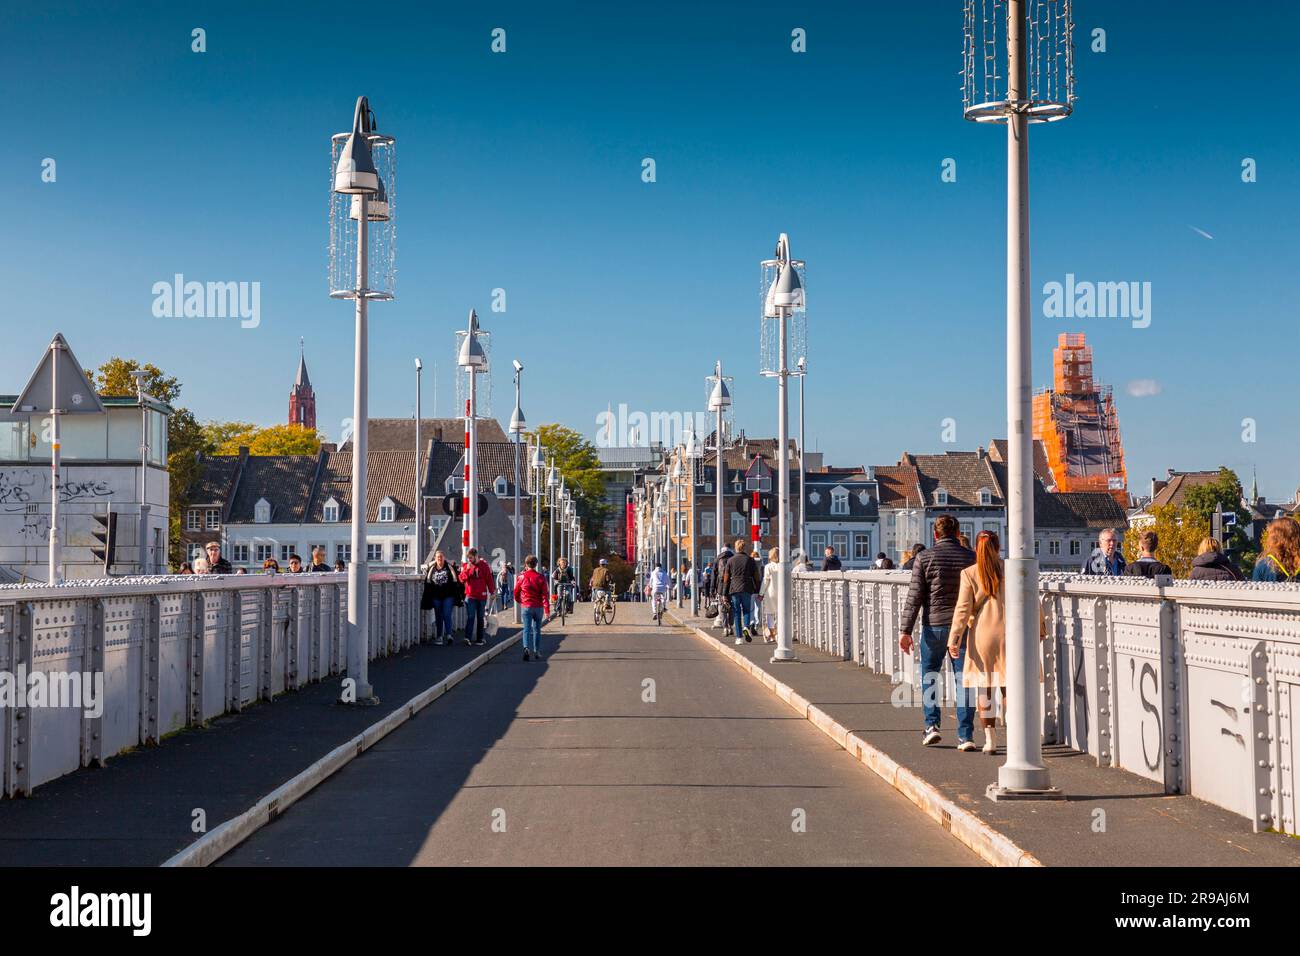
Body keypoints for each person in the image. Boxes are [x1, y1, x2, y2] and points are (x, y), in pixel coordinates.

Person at [899, 515, 976, 749]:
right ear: (957, 532)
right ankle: (966, 736)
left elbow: (915, 597)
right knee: (964, 680)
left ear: (935, 534)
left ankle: (932, 725)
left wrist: (905, 630)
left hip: (933, 626)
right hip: (963, 628)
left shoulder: (924, 558)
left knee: (930, 675)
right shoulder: (971, 558)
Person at [949, 531, 1011, 754]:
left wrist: (954, 639)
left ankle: (990, 740)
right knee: (1009, 688)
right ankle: (1014, 736)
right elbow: (1030, 598)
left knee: (985, 691)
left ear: (976, 548)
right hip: (1009, 634)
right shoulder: (1011, 569)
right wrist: (1040, 627)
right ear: (999, 546)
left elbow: (963, 609)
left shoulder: (969, 573)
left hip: (982, 636)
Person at [721, 537, 760, 645]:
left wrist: (724, 593)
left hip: (734, 588)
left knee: (737, 612)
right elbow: (756, 576)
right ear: (744, 548)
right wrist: (758, 589)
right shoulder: (750, 560)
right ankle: (746, 627)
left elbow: (726, 578)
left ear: (736, 548)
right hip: (747, 588)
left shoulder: (730, 560)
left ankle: (739, 638)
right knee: (747, 610)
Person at [514, 555, 550, 661]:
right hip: (538, 607)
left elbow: (516, 591)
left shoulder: (521, 577)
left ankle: (526, 648)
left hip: (526, 606)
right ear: (536, 565)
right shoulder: (540, 577)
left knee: (526, 629)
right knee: (537, 630)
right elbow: (544, 595)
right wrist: (547, 610)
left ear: (526, 564)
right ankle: (537, 651)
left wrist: (519, 601)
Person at [421, 550, 460, 645]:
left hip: (448, 595)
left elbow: (456, 572)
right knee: (438, 616)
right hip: (436, 596)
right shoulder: (432, 568)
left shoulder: (448, 567)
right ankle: (439, 636)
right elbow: (423, 568)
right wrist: (433, 562)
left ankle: (449, 635)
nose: (440, 558)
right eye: (438, 557)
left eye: (441, 556)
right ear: (435, 558)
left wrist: (449, 562)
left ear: (444, 557)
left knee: (447, 614)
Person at [459, 548, 494, 645]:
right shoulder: (467, 566)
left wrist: (492, 591)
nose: (469, 560)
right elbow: (461, 579)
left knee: (480, 617)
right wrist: (468, 570)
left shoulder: (484, 566)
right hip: (470, 596)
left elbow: (489, 580)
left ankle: (480, 638)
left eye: (471, 558)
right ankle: (467, 638)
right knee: (470, 617)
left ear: (476, 556)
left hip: (481, 596)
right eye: (468, 558)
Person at [757, 546, 780, 642]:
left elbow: (765, 581)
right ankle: (778, 633)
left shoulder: (768, 567)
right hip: (781, 593)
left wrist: (761, 593)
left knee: (769, 614)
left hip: (770, 592)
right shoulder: (784, 566)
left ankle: (771, 633)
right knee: (779, 614)